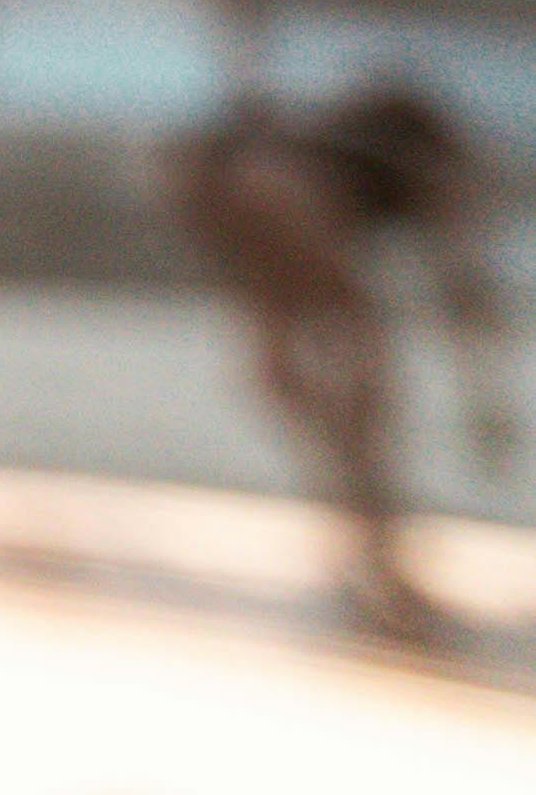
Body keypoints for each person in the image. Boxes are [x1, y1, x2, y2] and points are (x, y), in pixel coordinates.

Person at [168, 70, 519, 644]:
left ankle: (364, 538)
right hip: (281, 188)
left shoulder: (369, 138)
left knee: (300, 375)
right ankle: (378, 546)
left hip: (221, 181)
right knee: (363, 377)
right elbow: (461, 288)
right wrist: (486, 401)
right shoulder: (444, 167)